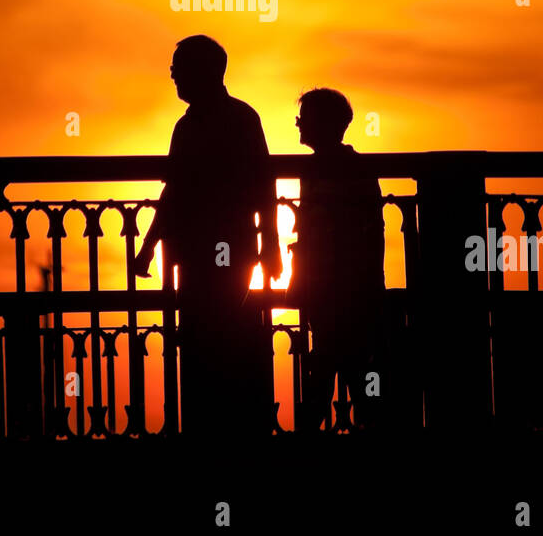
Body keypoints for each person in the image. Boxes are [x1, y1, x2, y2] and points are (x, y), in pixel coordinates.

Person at [133, 36, 282, 437]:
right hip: (196, 252)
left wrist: (270, 242)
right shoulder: (190, 124)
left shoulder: (239, 119)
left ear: (204, 71)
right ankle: (210, 427)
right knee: (200, 338)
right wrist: (149, 246)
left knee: (227, 336)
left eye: (178, 66)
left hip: (226, 246)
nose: (172, 74)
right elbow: (174, 189)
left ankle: (230, 428)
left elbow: (263, 183)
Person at [291, 88, 387, 431]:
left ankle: (315, 426)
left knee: (335, 360)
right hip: (340, 288)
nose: (298, 124)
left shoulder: (337, 169)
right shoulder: (333, 167)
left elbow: (354, 234)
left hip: (342, 288)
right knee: (348, 362)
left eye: (304, 118)